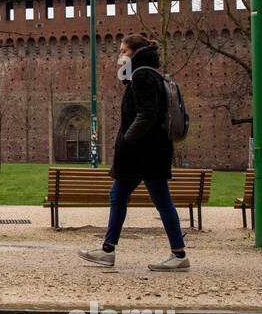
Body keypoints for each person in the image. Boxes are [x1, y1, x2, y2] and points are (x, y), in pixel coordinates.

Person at [79, 35, 189, 272]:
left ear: (135, 52)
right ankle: (110, 250)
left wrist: (127, 140)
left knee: (136, 199)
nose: (120, 56)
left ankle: (175, 254)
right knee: (129, 197)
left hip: (142, 153)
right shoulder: (151, 75)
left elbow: (147, 114)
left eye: (123, 51)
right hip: (151, 151)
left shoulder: (142, 76)